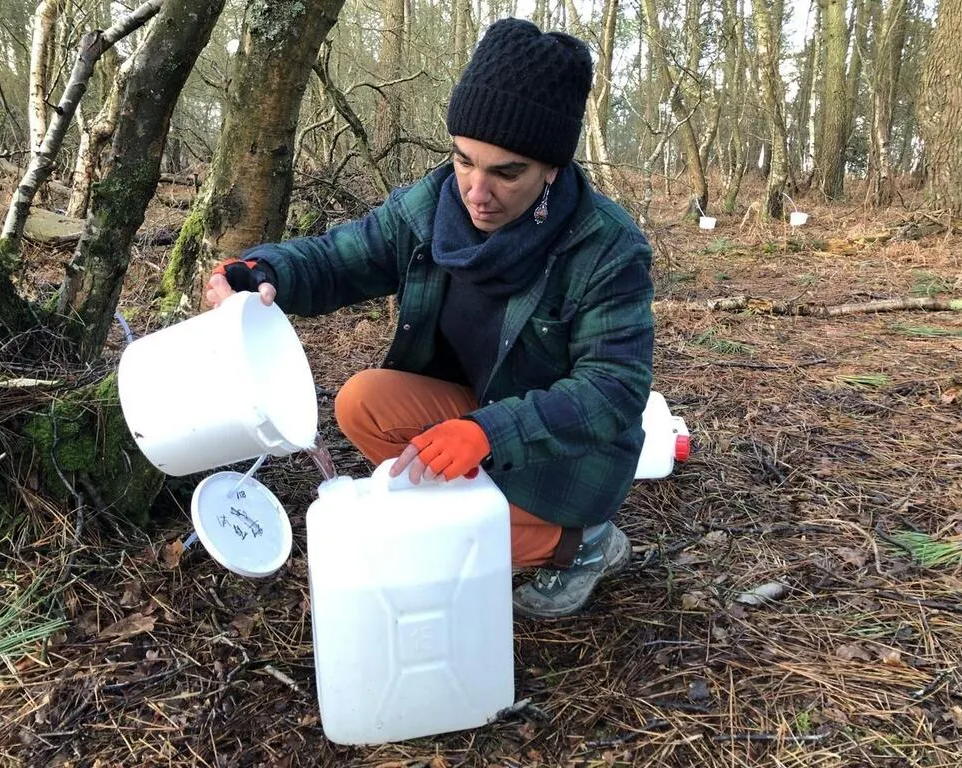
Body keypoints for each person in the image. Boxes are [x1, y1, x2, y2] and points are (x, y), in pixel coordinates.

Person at [205, 18, 654, 618]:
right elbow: (343, 257)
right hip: (478, 402)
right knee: (362, 403)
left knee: (435, 529)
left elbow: (613, 390)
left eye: (507, 172)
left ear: (551, 167)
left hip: (568, 450)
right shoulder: (433, 205)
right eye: (465, 160)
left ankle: (582, 542)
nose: (476, 190)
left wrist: (490, 434)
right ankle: (487, 502)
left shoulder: (605, 246)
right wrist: (265, 271)